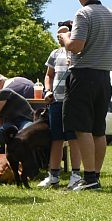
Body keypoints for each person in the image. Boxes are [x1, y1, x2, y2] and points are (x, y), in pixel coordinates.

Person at [57, 0, 112, 191]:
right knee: (99, 129)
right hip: (104, 78)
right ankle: (95, 176)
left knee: (82, 128)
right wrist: (103, 49)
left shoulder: (83, 13)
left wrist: (64, 39)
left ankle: (88, 179)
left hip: (83, 76)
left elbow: (76, 46)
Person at [38, 21, 84, 189]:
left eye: (63, 33)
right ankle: (54, 176)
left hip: (73, 102)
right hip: (56, 101)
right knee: (56, 138)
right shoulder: (55, 53)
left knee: (73, 139)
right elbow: (48, 75)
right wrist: (47, 91)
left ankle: (76, 175)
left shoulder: (80, 52)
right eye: (58, 34)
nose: (60, 36)